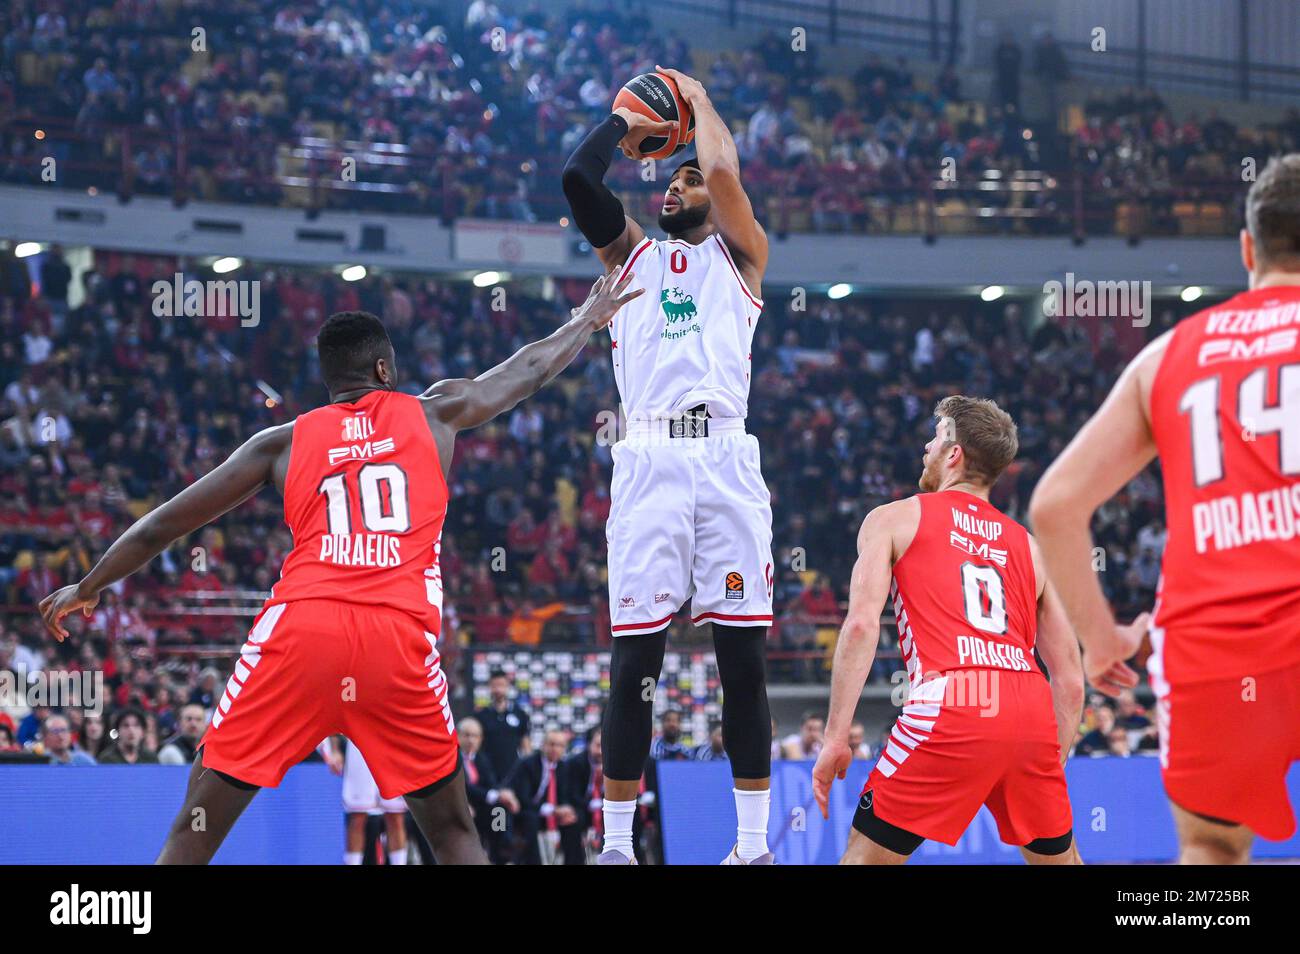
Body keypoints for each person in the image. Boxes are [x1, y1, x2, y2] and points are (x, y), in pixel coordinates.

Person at [39, 272, 643, 865]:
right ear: (385, 370)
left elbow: (161, 524)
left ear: (330, 379)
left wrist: (89, 586)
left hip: (300, 633)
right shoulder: (434, 414)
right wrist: (586, 320)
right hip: (397, 639)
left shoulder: (281, 442)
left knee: (195, 827)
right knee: (454, 831)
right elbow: (525, 372)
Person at [1029, 154, 1300, 864]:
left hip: (1215, 648)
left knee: (1210, 851)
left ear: (1247, 249)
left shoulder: (1169, 355)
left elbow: (1055, 507)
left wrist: (1103, 639)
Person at [562, 64, 776, 866]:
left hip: (725, 452)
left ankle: (750, 847)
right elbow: (577, 178)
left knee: (743, 661)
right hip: (649, 452)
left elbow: (722, 169)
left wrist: (700, 101)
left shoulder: (742, 257)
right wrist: (626, 120)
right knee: (634, 662)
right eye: (672, 178)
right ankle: (617, 847)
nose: (680, 185)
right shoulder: (631, 258)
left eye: (689, 177)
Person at [813, 396, 1085, 864]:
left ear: (953, 453)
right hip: (1029, 705)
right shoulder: (1030, 546)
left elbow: (860, 626)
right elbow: (1071, 678)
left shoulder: (893, 518)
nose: (926, 446)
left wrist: (836, 737)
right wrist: (1043, 760)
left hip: (954, 696)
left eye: (935, 436)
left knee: (862, 859)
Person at [472, 669, 531, 781]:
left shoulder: (520, 714)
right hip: (486, 773)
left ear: (508, 686)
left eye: (501, 685)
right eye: (494, 685)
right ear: (489, 687)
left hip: (513, 773)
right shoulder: (480, 716)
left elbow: (526, 745)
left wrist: (528, 771)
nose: (498, 689)